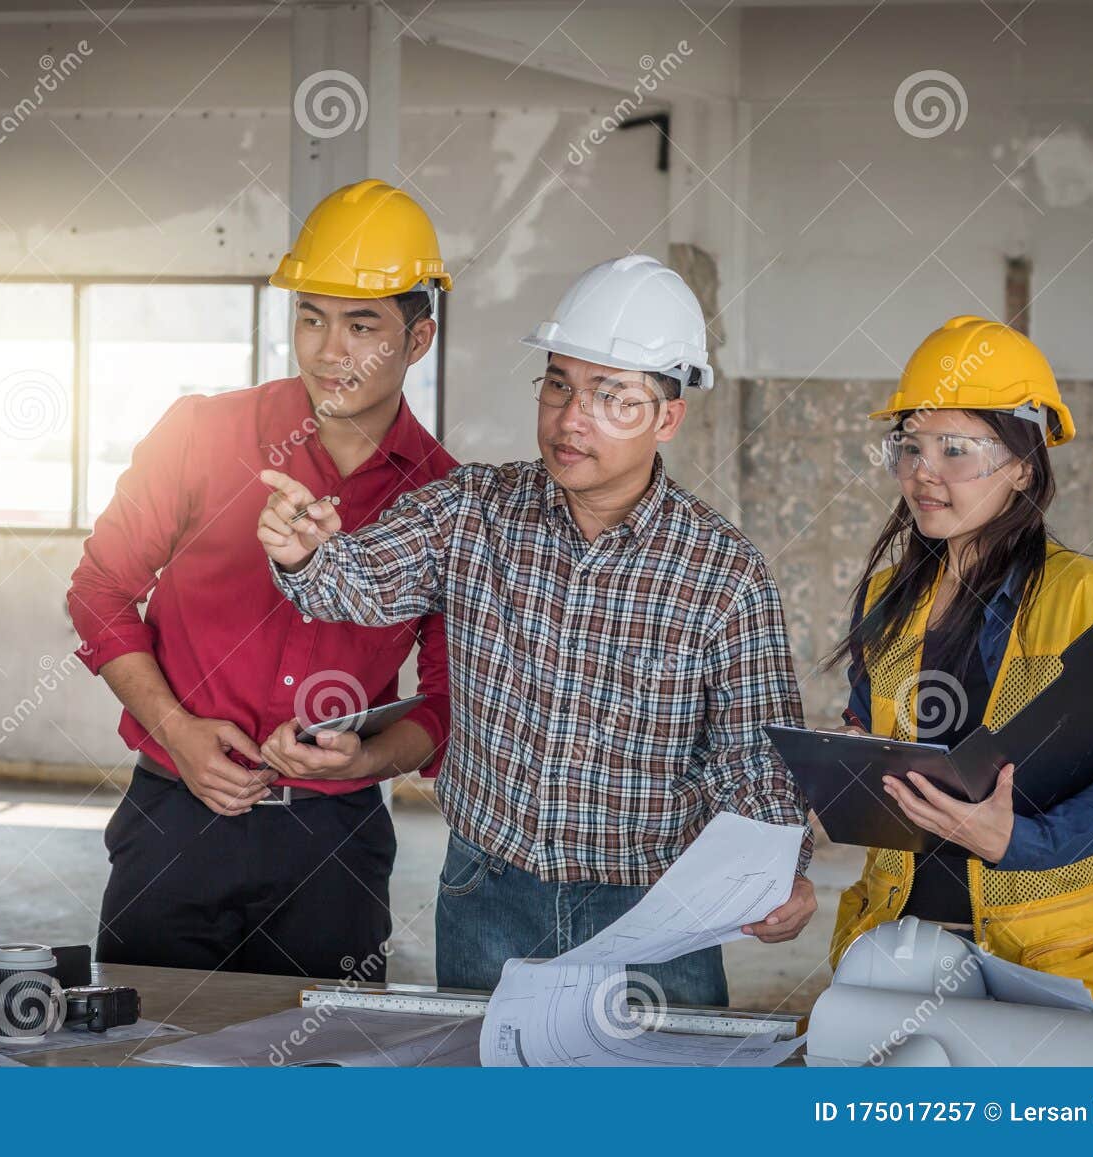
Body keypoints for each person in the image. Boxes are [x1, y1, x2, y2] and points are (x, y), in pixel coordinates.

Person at [256, 254, 816, 1009]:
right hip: (487, 895)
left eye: (611, 396)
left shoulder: (724, 572)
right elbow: (361, 579)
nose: (571, 418)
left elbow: (760, 760)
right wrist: (308, 552)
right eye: (559, 384)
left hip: (655, 912)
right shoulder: (473, 509)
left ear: (667, 417)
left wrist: (782, 870)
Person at [66, 179, 457, 981]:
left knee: (318, 1082)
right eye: (310, 317)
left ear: (418, 340)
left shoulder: (445, 501)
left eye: (362, 325)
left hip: (334, 846)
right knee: (145, 1069)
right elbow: (99, 592)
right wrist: (177, 729)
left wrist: (363, 763)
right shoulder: (205, 435)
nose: (328, 349)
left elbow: (451, 700)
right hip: (174, 821)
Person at [824, 314, 1093, 1018]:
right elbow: (869, 721)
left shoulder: (1087, 600)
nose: (923, 471)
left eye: (955, 449)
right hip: (905, 939)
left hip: (1053, 956)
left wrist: (1013, 839)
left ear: (1021, 463)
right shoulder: (887, 596)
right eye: (911, 445)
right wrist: (850, 758)